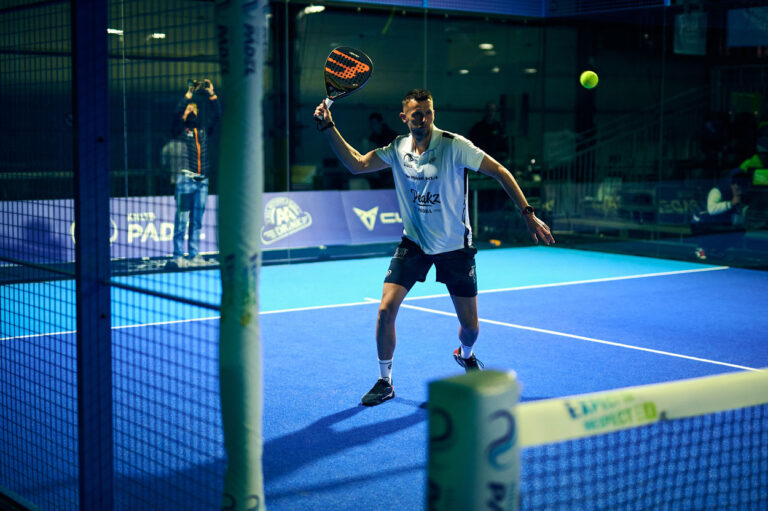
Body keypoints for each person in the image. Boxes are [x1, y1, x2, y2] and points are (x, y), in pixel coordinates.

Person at [314, 89, 554, 406]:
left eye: (428, 112)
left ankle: (465, 355)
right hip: (414, 243)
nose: (424, 118)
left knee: (470, 327)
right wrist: (329, 127)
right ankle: (385, 381)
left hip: (455, 248)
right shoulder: (397, 148)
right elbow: (357, 165)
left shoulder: (455, 146)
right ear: (405, 118)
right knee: (385, 310)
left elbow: (500, 171)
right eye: (417, 114)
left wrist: (528, 214)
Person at [167, 78, 221, 269]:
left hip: (202, 182)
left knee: (197, 220)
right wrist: (189, 93)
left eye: (194, 109)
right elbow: (176, 114)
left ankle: (194, 255)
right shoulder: (179, 130)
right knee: (182, 219)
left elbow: (217, 116)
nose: (191, 111)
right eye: (188, 110)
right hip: (185, 180)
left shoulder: (204, 131)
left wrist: (212, 94)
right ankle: (177, 256)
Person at [691, 168, 751, 260]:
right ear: (731, 183)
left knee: (739, 230)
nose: (738, 188)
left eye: (741, 185)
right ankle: (701, 248)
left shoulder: (742, 196)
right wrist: (730, 203)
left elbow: (738, 222)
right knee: (715, 223)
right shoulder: (717, 191)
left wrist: (739, 208)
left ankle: (718, 250)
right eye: (735, 184)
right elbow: (711, 210)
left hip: (722, 221)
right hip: (699, 222)